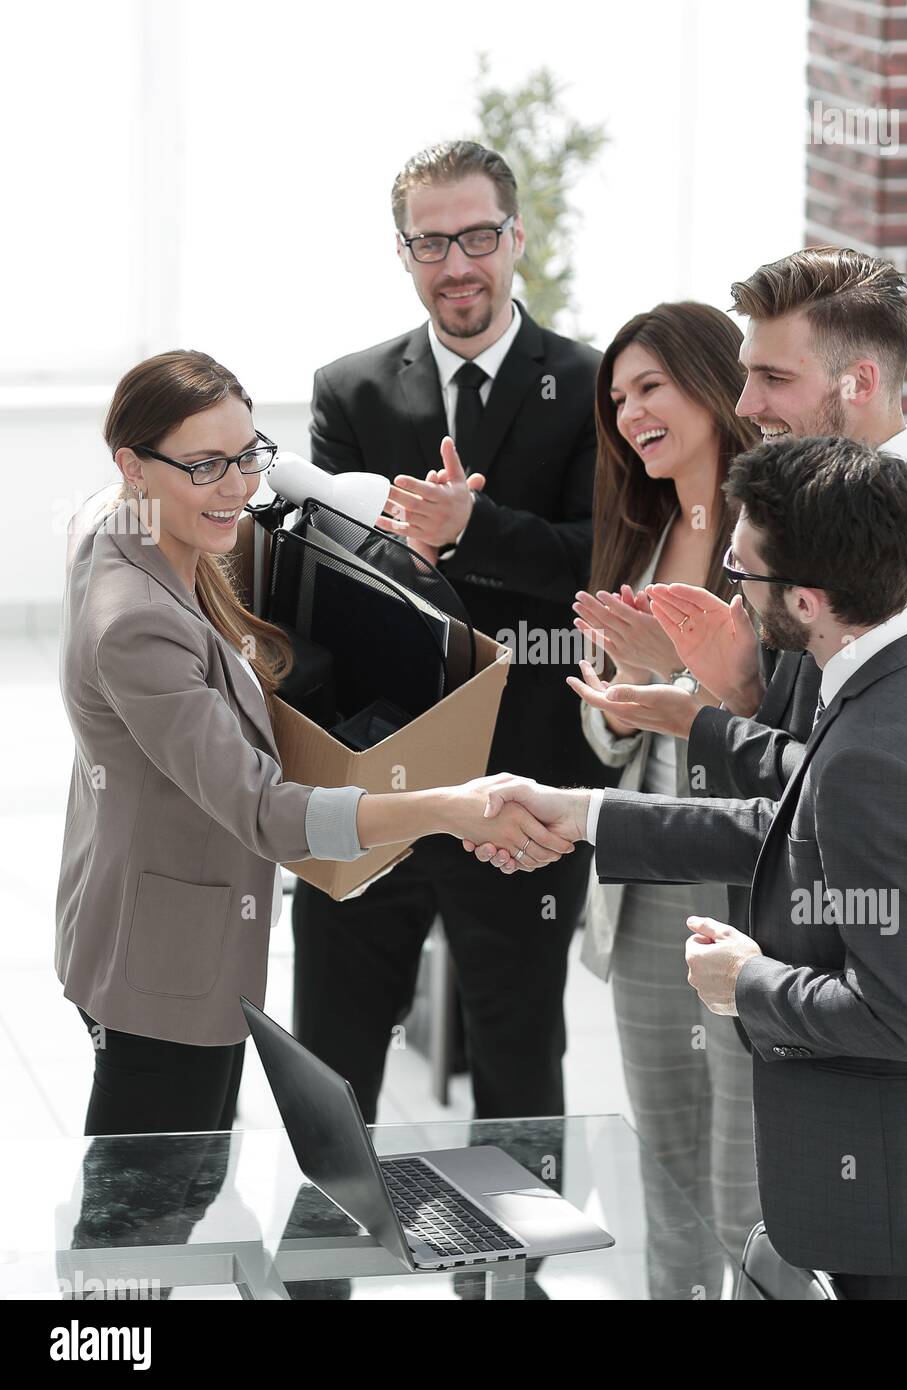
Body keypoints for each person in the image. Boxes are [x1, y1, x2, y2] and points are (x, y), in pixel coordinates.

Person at [466, 435, 907, 1299]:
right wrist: (589, 812)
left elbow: (901, 1019)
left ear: (810, 600)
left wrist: (742, 979)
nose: (732, 597)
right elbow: (793, 824)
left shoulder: (874, 747)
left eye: (743, 577)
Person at [56, 349, 573, 1139]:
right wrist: (450, 807)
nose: (236, 486)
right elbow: (263, 811)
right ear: (133, 464)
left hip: (157, 926)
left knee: (173, 1199)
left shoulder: (127, 531)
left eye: (246, 455)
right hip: (161, 968)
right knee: (144, 1227)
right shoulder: (138, 622)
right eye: (204, 465)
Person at [569, 247, 907, 1043]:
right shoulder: (839, 518)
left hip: (878, 1009)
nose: (747, 402)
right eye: (748, 373)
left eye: (774, 379)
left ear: (857, 382)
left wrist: (701, 718)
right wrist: (740, 688)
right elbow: (835, 755)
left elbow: (869, 798)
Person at [291, 140, 609, 1127]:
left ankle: (510, 1282)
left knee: (517, 1064)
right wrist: (409, 560)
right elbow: (325, 575)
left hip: (525, 784)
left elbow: (597, 564)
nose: (456, 263)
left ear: (515, 237)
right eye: (431, 242)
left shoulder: (593, 384)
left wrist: (468, 533)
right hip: (377, 775)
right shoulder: (351, 389)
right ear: (403, 252)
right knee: (331, 1058)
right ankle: (321, 1278)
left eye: (476, 235)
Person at [568, 301, 760, 1296]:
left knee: (742, 1186)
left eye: (649, 386)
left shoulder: (769, 532)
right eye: (616, 398)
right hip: (645, 886)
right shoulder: (642, 534)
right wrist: (621, 702)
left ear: (711, 380)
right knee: (667, 1169)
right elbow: (611, 731)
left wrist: (670, 684)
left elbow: (770, 712)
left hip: (741, 882)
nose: (630, 412)